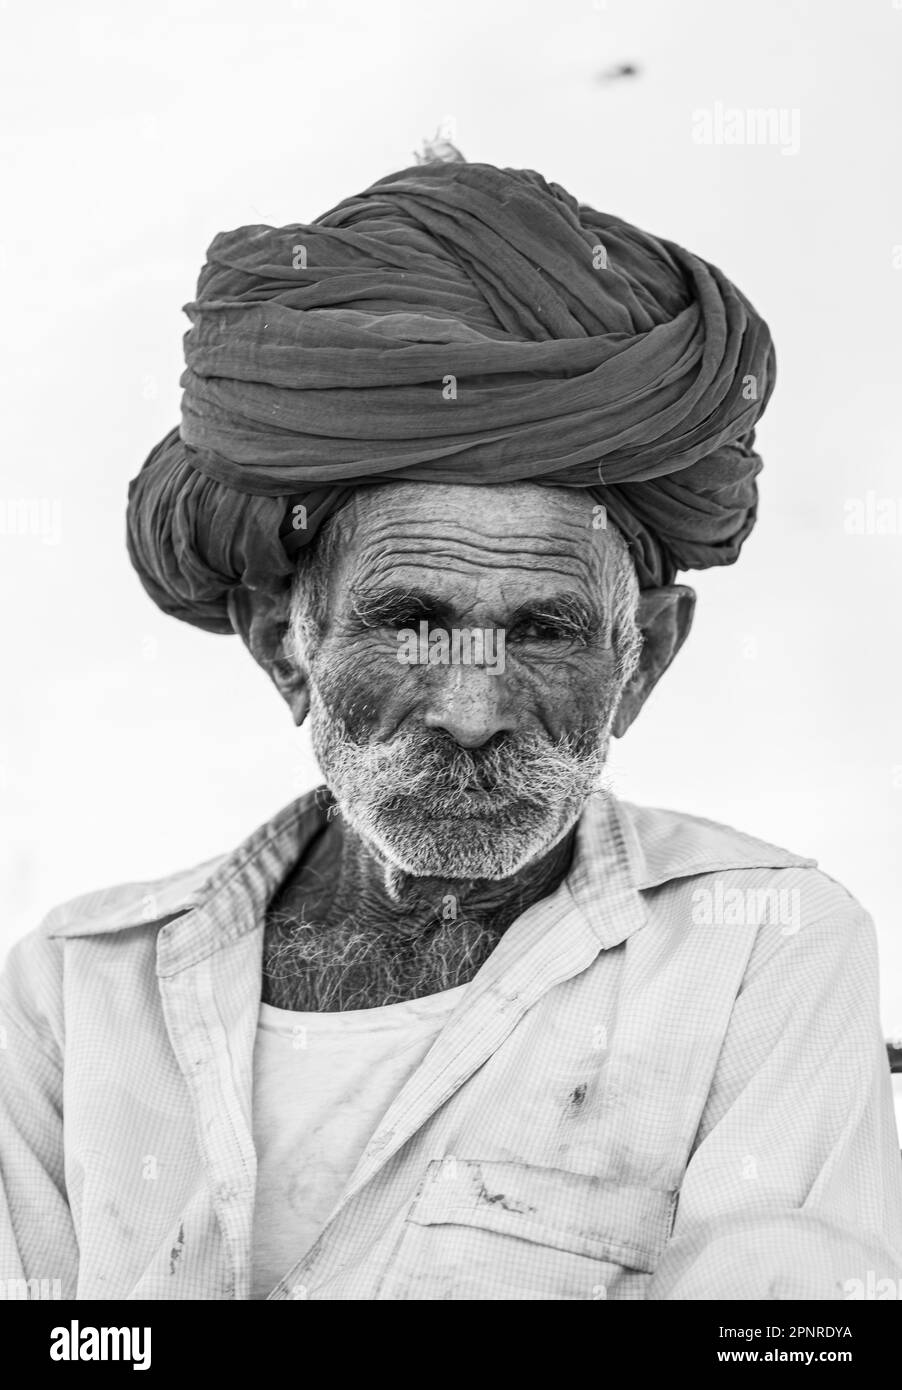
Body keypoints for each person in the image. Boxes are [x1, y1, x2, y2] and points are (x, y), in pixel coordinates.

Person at [2, 151, 900, 1301]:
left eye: (542, 633)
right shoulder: (76, 995)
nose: (473, 710)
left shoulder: (762, 951)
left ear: (643, 662)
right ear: (288, 646)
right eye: (411, 622)